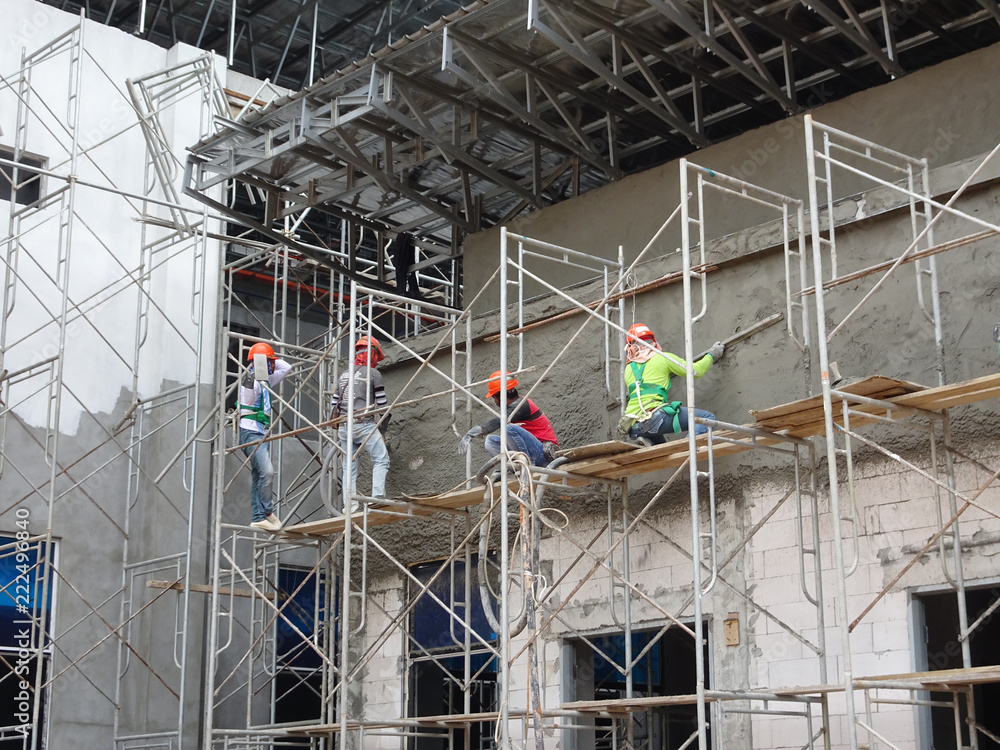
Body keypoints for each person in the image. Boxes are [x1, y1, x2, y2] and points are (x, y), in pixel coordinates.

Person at [619, 323, 724, 444]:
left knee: (664, 454)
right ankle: (685, 449)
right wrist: (711, 354)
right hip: (654, 418)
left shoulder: (628, 369)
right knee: (707, 419)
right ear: (652, 341)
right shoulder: (662, 358)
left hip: (633, 426)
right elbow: (696, 371)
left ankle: (647, 441)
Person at [331, 335, 390, 505]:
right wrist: (384, 424)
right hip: (364, 425)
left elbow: (334, 403)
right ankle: (377, 497)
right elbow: (382, 404)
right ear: (372, 354)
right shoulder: (373, 374)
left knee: (349, 467)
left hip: (344, 428)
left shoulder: (343, 375)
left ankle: (350, 505)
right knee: (381, 459)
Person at [239, 341, 292, 531]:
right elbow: (250, 396)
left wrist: (266, 361)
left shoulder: (266, 380)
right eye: (268, 362)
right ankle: (268, 512)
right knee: (267, 472)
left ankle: (258, 516)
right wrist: (258, 367)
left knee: (258, 476)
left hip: (260, 433)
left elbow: (287, 367)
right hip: (250, 433)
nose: (271, 365)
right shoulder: (250, 381)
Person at [457, 371, 559, 467]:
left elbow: (498, 421)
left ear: (501, 395)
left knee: (508, 428)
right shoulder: (515, 407)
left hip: (545, 455)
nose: (495, 402)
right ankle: (512, 468)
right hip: (534, 452)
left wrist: (471, 433)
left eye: (495, 398)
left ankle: (526, 466)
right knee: (490, 441)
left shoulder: (521, 405)